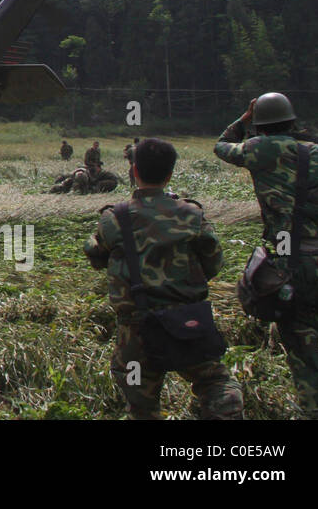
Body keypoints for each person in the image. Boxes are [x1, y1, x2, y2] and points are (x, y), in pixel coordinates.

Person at [85, 138, 243, 419]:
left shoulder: (113, 218)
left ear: (134, 172)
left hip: (136, 333)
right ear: (170, 174)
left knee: (140, 407)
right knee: (217, 384)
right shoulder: (192, 214)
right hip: (189, 323)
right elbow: (215, 263)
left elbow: (95, 255)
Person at [215, 93, 318, 419]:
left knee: (301, 336)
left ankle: (313, 408)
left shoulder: (257, 149)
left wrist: (243, 119)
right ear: (292, 121)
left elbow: (222, 146)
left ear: (260, 125)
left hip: (288, 253)